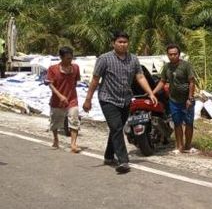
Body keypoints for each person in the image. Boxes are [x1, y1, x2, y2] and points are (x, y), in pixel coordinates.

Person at [83, 31, 157, 174]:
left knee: (116, 128)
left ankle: (109, 156)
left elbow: (140, 76)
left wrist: (150, 92)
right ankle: (123, 160)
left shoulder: (133, 59)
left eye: (125, 42)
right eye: (120, 42)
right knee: (117, 128)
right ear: (113, 43)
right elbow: (95, 79)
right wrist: (88, 100)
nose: (123, 45)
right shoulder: (104, 59)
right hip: (108, 98)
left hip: (125, 99)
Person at [152, 44, 196, 155]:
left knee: (189, 123)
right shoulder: (167, 67)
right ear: (167, 55)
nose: (173, 56)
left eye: (175, 54)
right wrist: (152, 93)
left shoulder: (186, 66)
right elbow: (162, 81)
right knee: (177, 124)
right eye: (170, 54)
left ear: (179, 54)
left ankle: (188, 146)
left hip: (187, 99)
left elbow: (192, 82)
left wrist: (190, 98)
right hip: (174, 100)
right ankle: (179, 146)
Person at [47, 46, 81, 153]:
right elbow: (50, 84)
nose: (69, 61)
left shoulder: (75, 68)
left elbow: (75, 82)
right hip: (57, 100)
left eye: (71, 58)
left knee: (74, 119)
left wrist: (70, 94)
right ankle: (56, 139)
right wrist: (60, 96)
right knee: (55, 121)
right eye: (67, 58)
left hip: (72, 99)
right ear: (61, 57)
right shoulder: (53, 69)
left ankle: (73, 144)